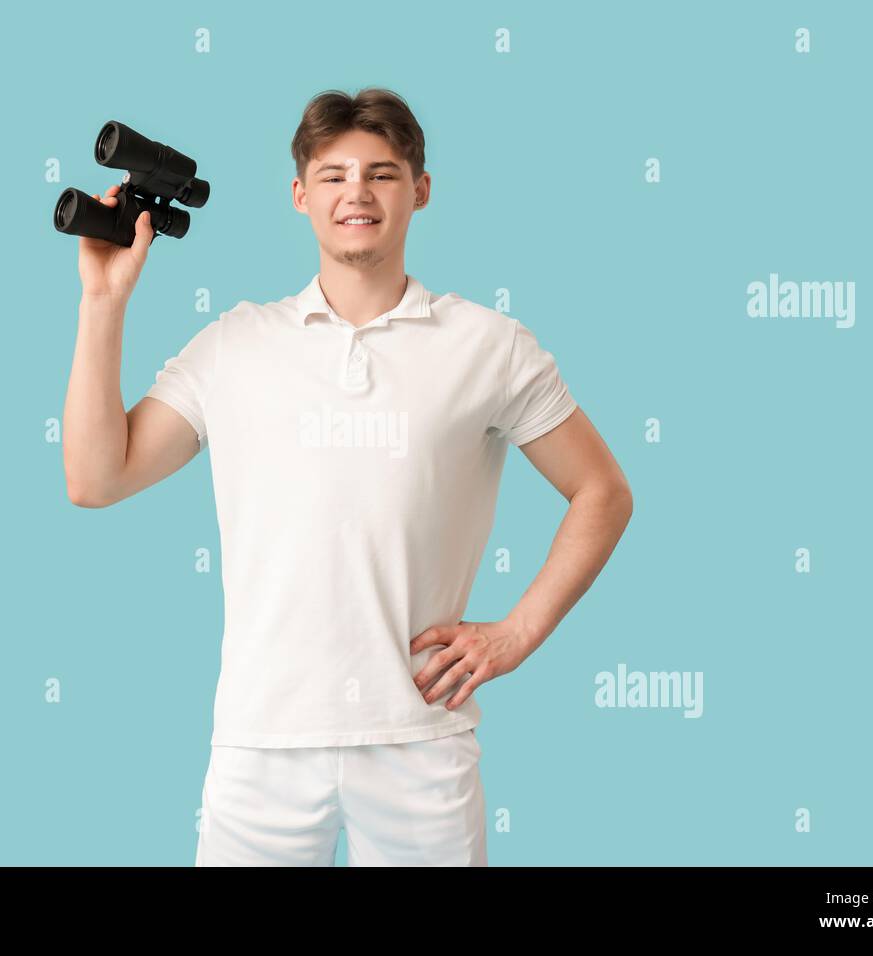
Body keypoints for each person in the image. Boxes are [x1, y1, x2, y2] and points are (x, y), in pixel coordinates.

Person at [62, 88, 634, 866]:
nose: (356, 193)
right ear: (301, 196)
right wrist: (103, 301)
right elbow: (97, 477)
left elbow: (602, 490)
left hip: (419, 743)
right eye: (332, 176)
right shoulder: (235, 344)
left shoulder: (487, 345)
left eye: (382, 174)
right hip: (261, 747)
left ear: (420, 190)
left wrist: (516, 634)